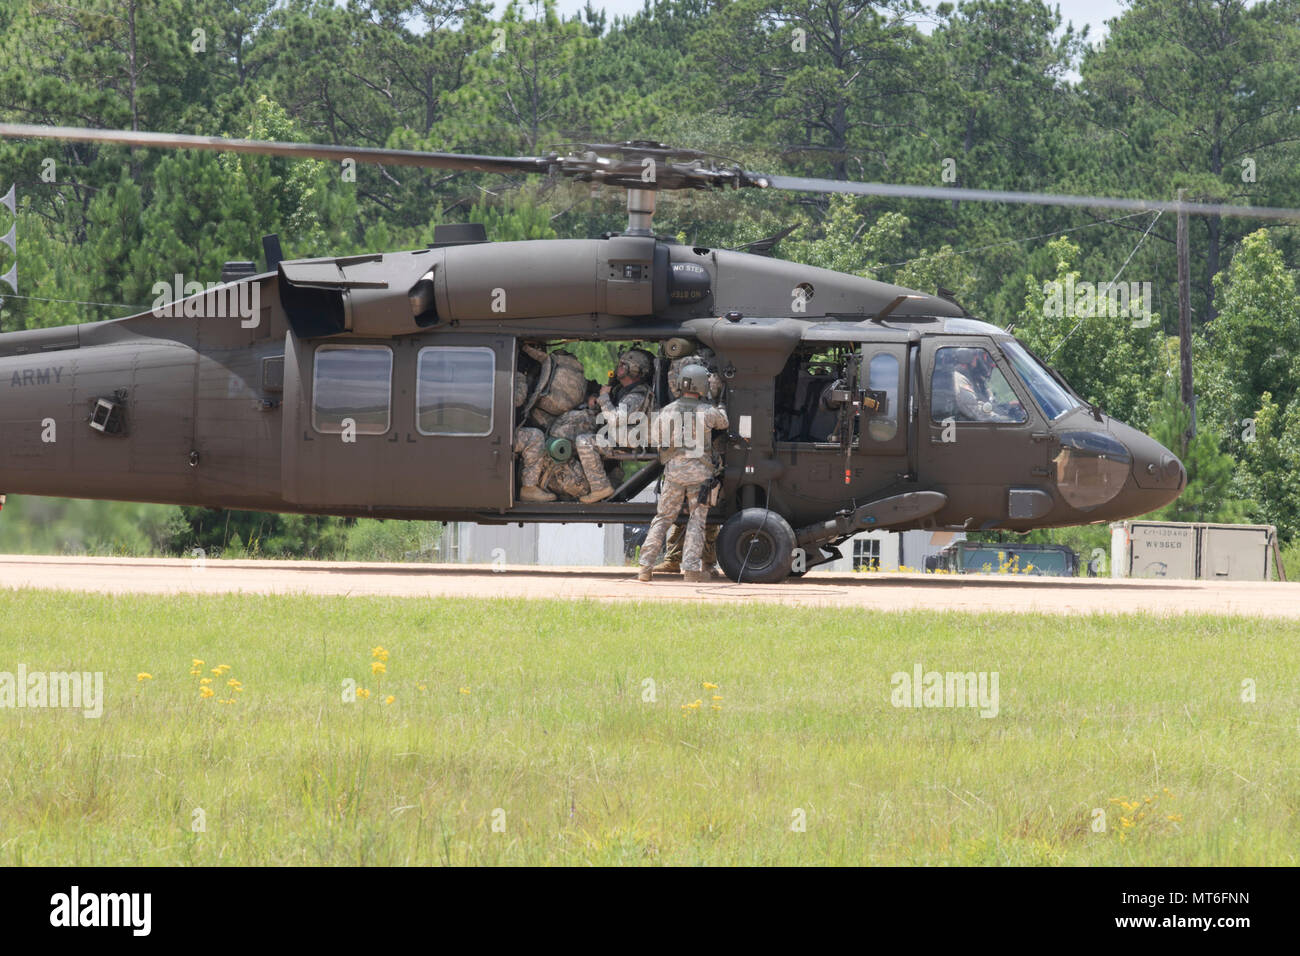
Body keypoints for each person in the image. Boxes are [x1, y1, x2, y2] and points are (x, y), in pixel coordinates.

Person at [638, 364, 727, 583]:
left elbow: (654, 439)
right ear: (701, 385)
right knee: (697, 521)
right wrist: (721, 403)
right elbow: (724, 422)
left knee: (662, 519)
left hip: (674, 475)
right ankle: (690, 570)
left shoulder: (667, 411)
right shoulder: (707, 412)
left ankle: (645, 568)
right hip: (700, 476)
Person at [655, 346, 723, 573]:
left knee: (692, 514)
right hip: (696, 455)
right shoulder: (700, 373)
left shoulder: (705, 371)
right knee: (694, 515)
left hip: (696, 453)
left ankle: (705, 561)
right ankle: (678, 560)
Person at [573, 348, 655, 504]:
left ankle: (600, 487)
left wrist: (604, 397)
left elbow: (615, 418)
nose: (619, 368)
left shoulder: (639, 394)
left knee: (584, 441)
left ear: (635, 370)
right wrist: (596, 399)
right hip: (619, 436)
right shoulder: (621, 389)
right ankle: (612, 476)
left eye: (623, 365)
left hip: (631, 441)